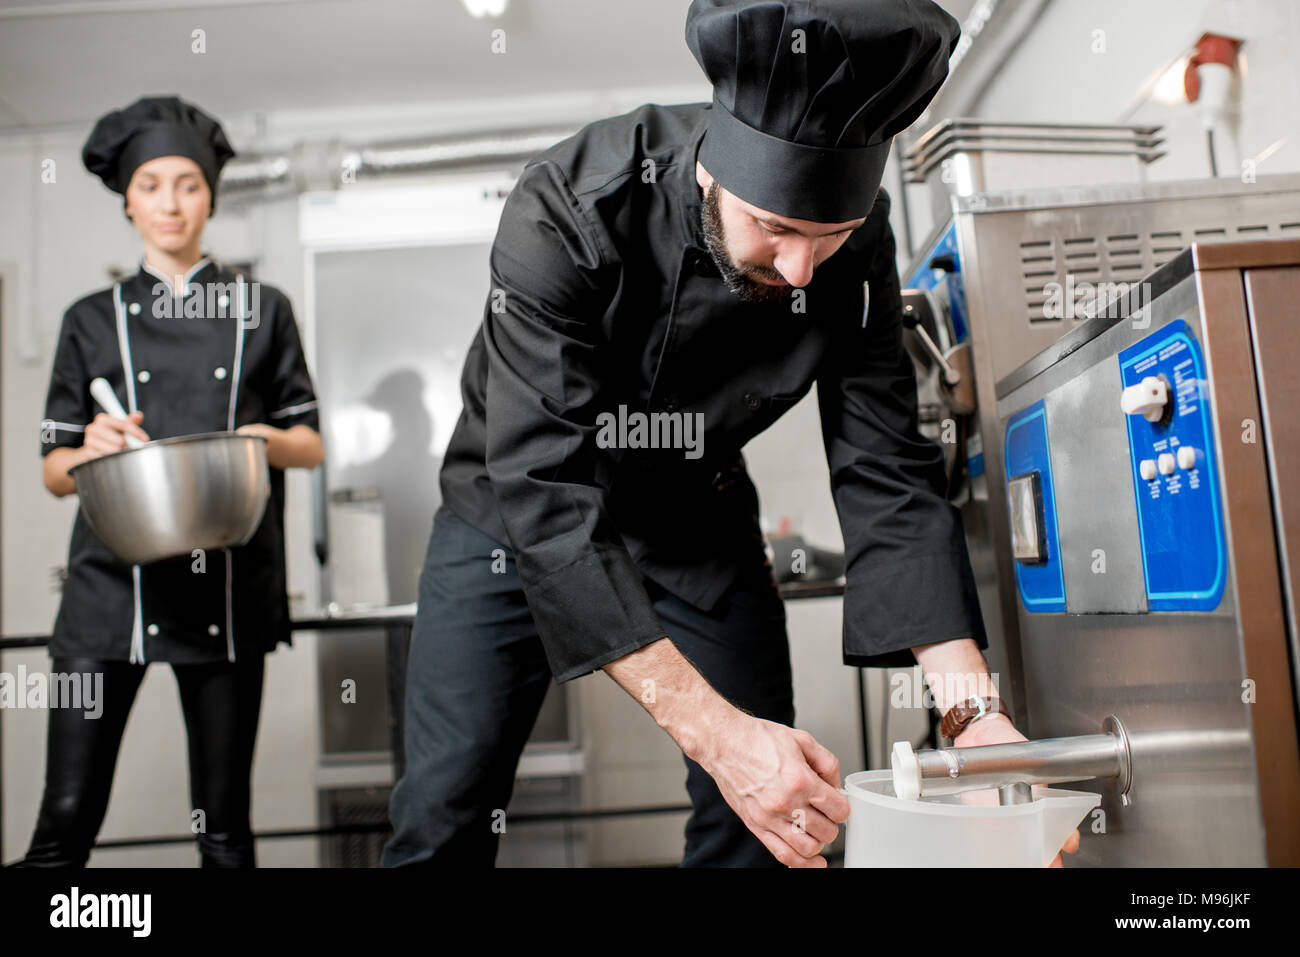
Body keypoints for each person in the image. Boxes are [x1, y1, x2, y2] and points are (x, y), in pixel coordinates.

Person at [384, 0, 1080, 867]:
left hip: (695, 515)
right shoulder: (563, 211)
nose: (799, 272)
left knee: (764, 819)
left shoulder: (852, 252)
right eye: (778, 228)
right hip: (509, 515)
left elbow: (888, 475)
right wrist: (716, 735)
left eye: (826, 238)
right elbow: (545, 490)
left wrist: (975, 720)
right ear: (713, 170)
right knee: (445, 805)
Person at [19, 96, 324, 867]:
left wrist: (260, 439)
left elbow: (311, 446)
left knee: (223, 829)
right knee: (62, 823)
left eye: (187, 183)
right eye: (151, 184)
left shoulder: (264, 309)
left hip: (223, 580)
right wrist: (92, 446)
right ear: (127, 199)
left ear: (210, 196)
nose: (170, 202)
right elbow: (56, 472)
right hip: (105, 588)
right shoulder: (89, 318)